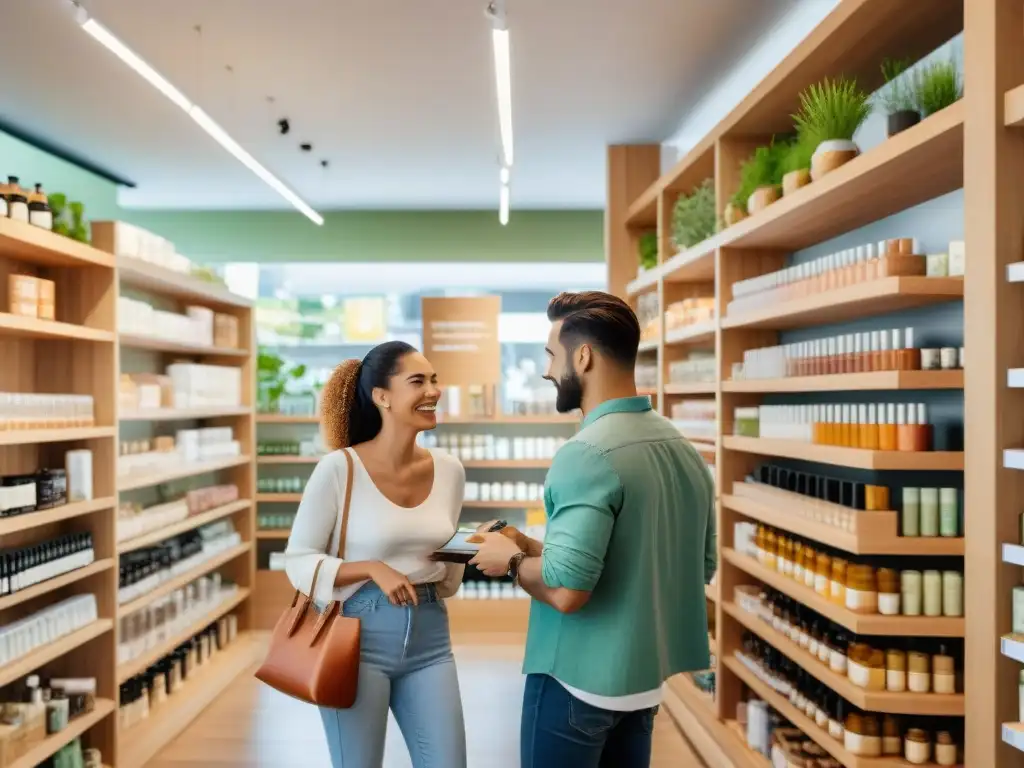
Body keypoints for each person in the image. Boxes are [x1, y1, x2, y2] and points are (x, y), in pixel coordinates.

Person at [469, 291, 717, 768]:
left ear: (582, 357)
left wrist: (511, 562)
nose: (546, 370)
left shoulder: (586, 453)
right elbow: (696, 566)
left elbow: (567, 591)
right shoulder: (682, 448)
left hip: (575, 682)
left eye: (550, 355)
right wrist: (529, 545)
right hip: (642, 686)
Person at [284, 341, 468, 768]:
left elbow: (442, 561)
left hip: (430, 637)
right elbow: (299, 559)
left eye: (434, 380)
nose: (433, 391)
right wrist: (371, 569)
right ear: (381, 396)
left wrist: (474, 545)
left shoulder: (450, 470)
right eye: (417, 381)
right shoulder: (339, 469)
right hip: (355, 639)